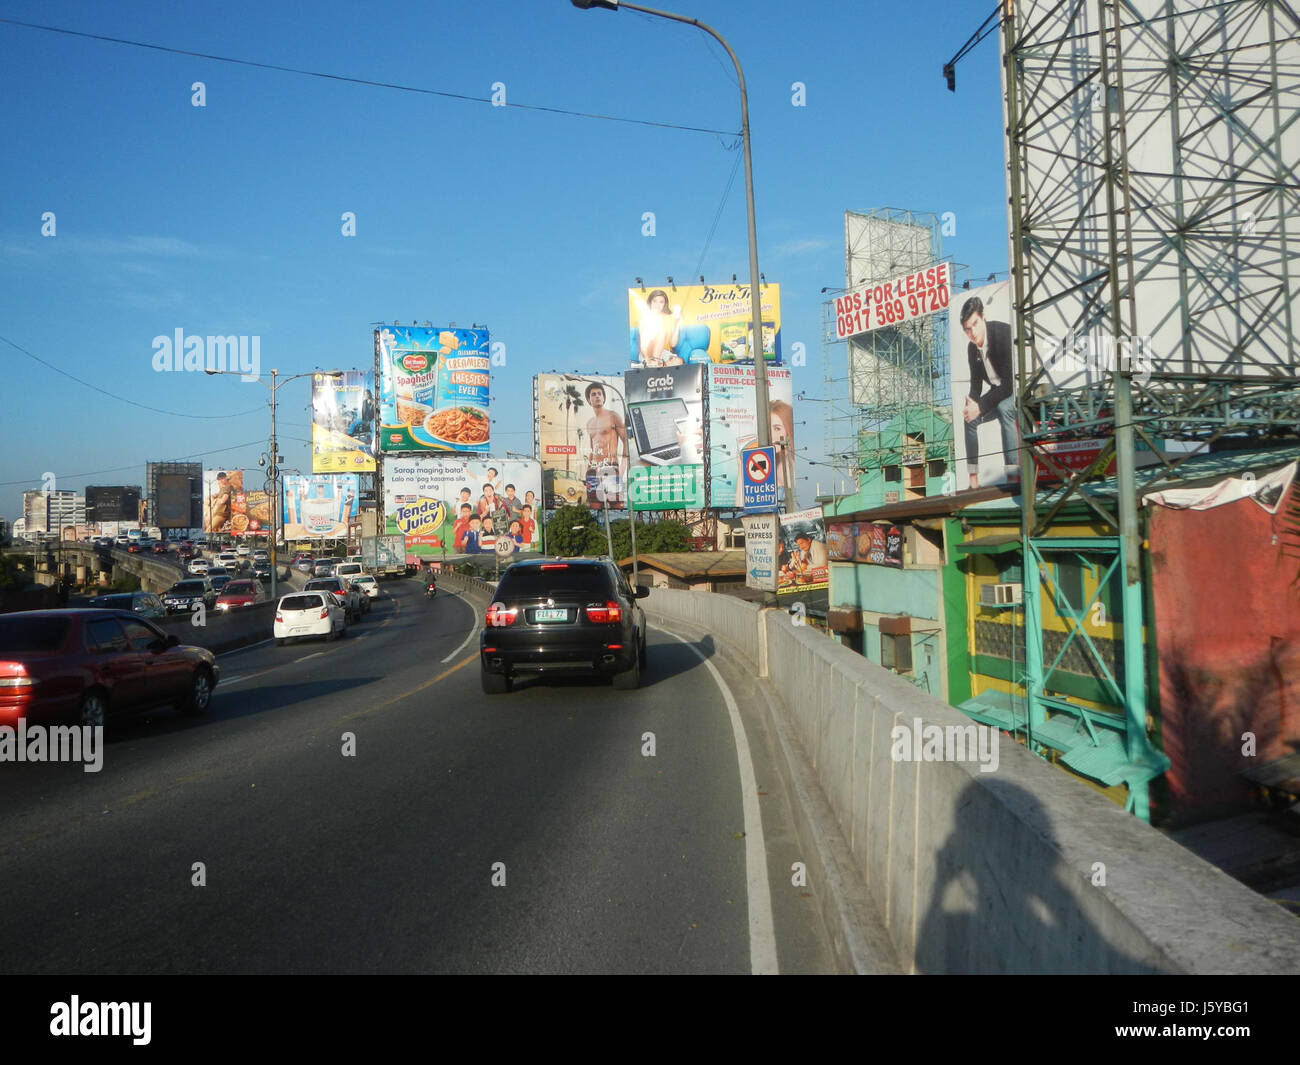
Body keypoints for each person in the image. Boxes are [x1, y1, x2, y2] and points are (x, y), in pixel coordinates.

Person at [960, 295, 1017, 489]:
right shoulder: (971, 348)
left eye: (975, 324)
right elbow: (976, 386)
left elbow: (1009, 384)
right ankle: (973, 480)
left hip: (1019, 387)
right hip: (998, 391)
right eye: (967, 329)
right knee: (969, 419)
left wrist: (981, 405)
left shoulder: (1002, 334)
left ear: (983, 317)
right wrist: (972, 405)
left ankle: (1013, 476)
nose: (972, 332)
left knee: (1003, 409)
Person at [734, 399, 796, 506]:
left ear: (788, 430)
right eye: (767, 429)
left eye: (777, 428)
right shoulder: (760, 468)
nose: (771, 435)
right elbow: (740, 510)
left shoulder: (794, 472)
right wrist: (741, 466)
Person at [583, 382, 627, 502]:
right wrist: (587, 472)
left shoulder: (613, 416)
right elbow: (592, 449)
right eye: (593, 394)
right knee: (594, 504)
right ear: (589, 400)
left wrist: (623, 467)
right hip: (594, 469)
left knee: (616, 503)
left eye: (599, 394)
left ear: (604, 397)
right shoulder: (589, 423)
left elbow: (626, 441)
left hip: (611, 467)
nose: (597, 396)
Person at [638, 290, 684, 367]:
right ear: (650, 302)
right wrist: (647, 359)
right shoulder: (645, 319)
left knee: (679, 361)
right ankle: (655, 362)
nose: (657, 305)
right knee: (661, 332)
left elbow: (673, 344)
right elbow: (643, 345)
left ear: (664, 304)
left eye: (661, 302)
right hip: (647, 353)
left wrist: (677, 323)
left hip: (663, 354)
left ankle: (658, 366)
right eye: (655, 301)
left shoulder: (669, 319)